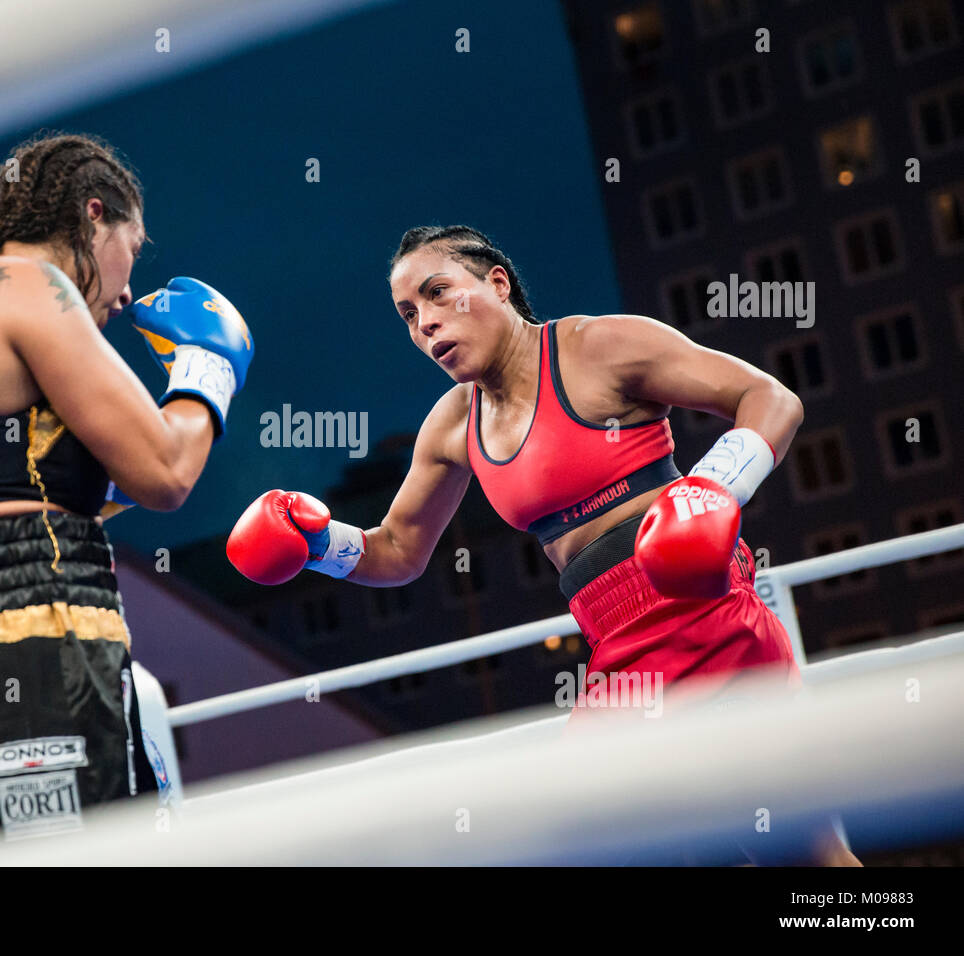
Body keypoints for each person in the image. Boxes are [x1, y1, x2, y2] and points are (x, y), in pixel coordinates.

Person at [225, 224, 857, 866]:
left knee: (810, 862)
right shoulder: (453, 422)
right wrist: (313, 541)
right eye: (409, 315)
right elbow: (397, 550)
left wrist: (713, 488)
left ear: (497, 284)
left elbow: (770, 398)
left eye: (439, 293)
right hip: (616, 650)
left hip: (707, 617)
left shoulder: (599, 346)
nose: (426, 325)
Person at [0, 132, 252, 843]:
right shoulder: (32, 286)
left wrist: (103, 483)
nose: (129, 287)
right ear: (94, 215)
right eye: (130, 248)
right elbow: (169, 471)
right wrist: (208, 369)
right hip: (46, 653)